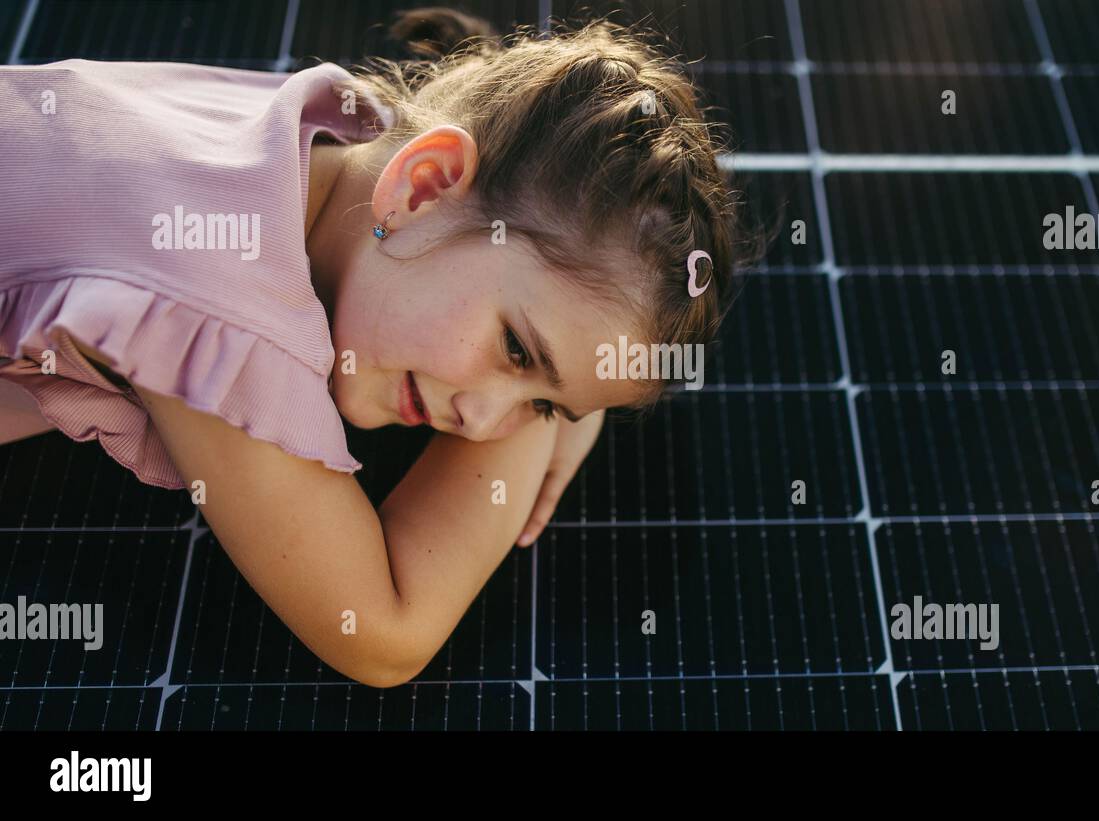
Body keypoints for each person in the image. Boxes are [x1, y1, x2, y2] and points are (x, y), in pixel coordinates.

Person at [0, 7, 745, 687]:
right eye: (517, 350)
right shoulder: (215, 298)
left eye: (542, 407)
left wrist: (577, 380)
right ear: (422, 185)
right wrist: (561, 418)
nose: (484, 426)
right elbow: (386, 633)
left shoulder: (340, 137)